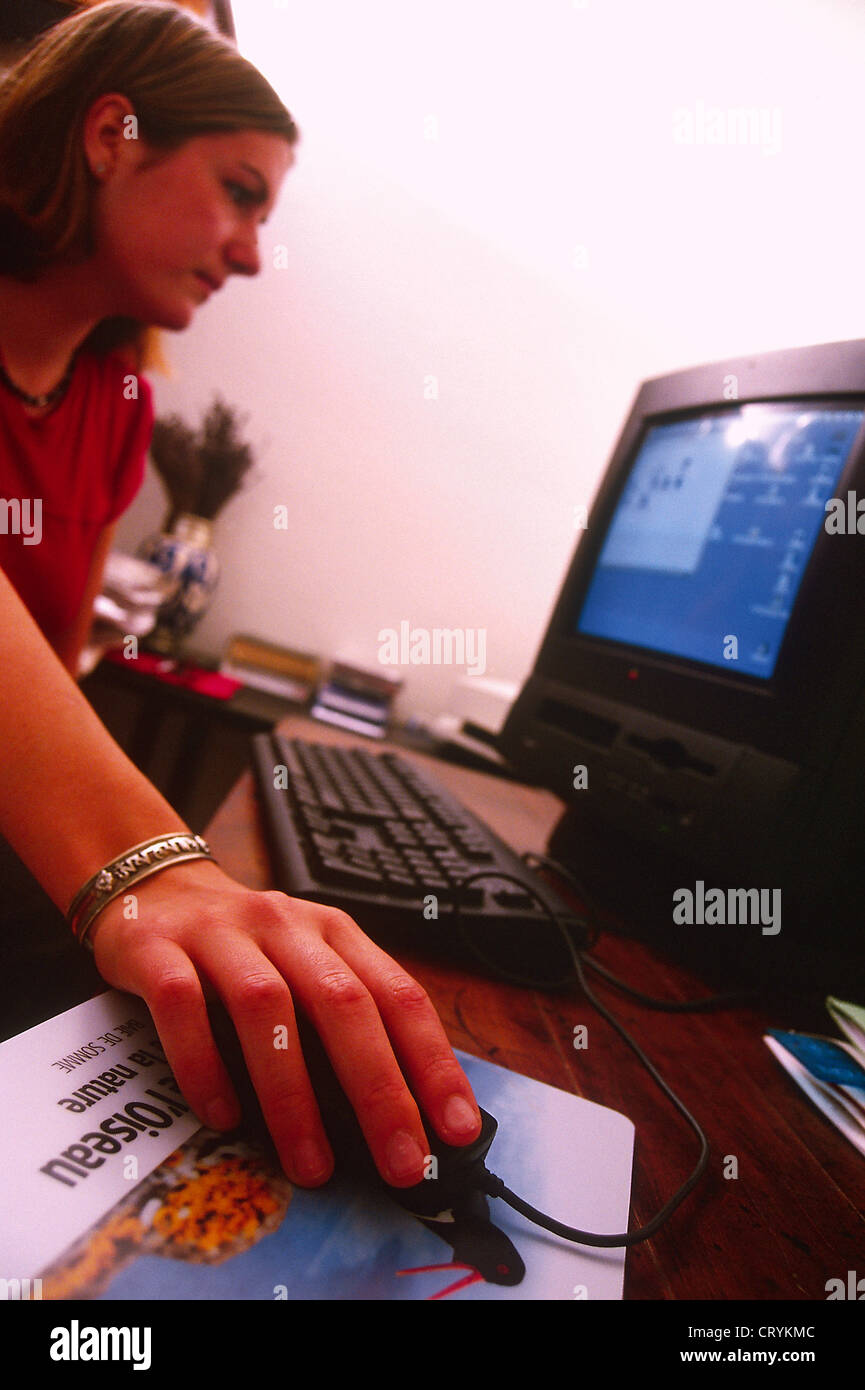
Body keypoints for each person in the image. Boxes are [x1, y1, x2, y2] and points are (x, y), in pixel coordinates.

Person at [0, 0, 481, 1190]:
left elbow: (55, 673)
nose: (257, 251)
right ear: (112, 133)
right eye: (240, 191)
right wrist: (149, 869)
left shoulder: (116, 406)